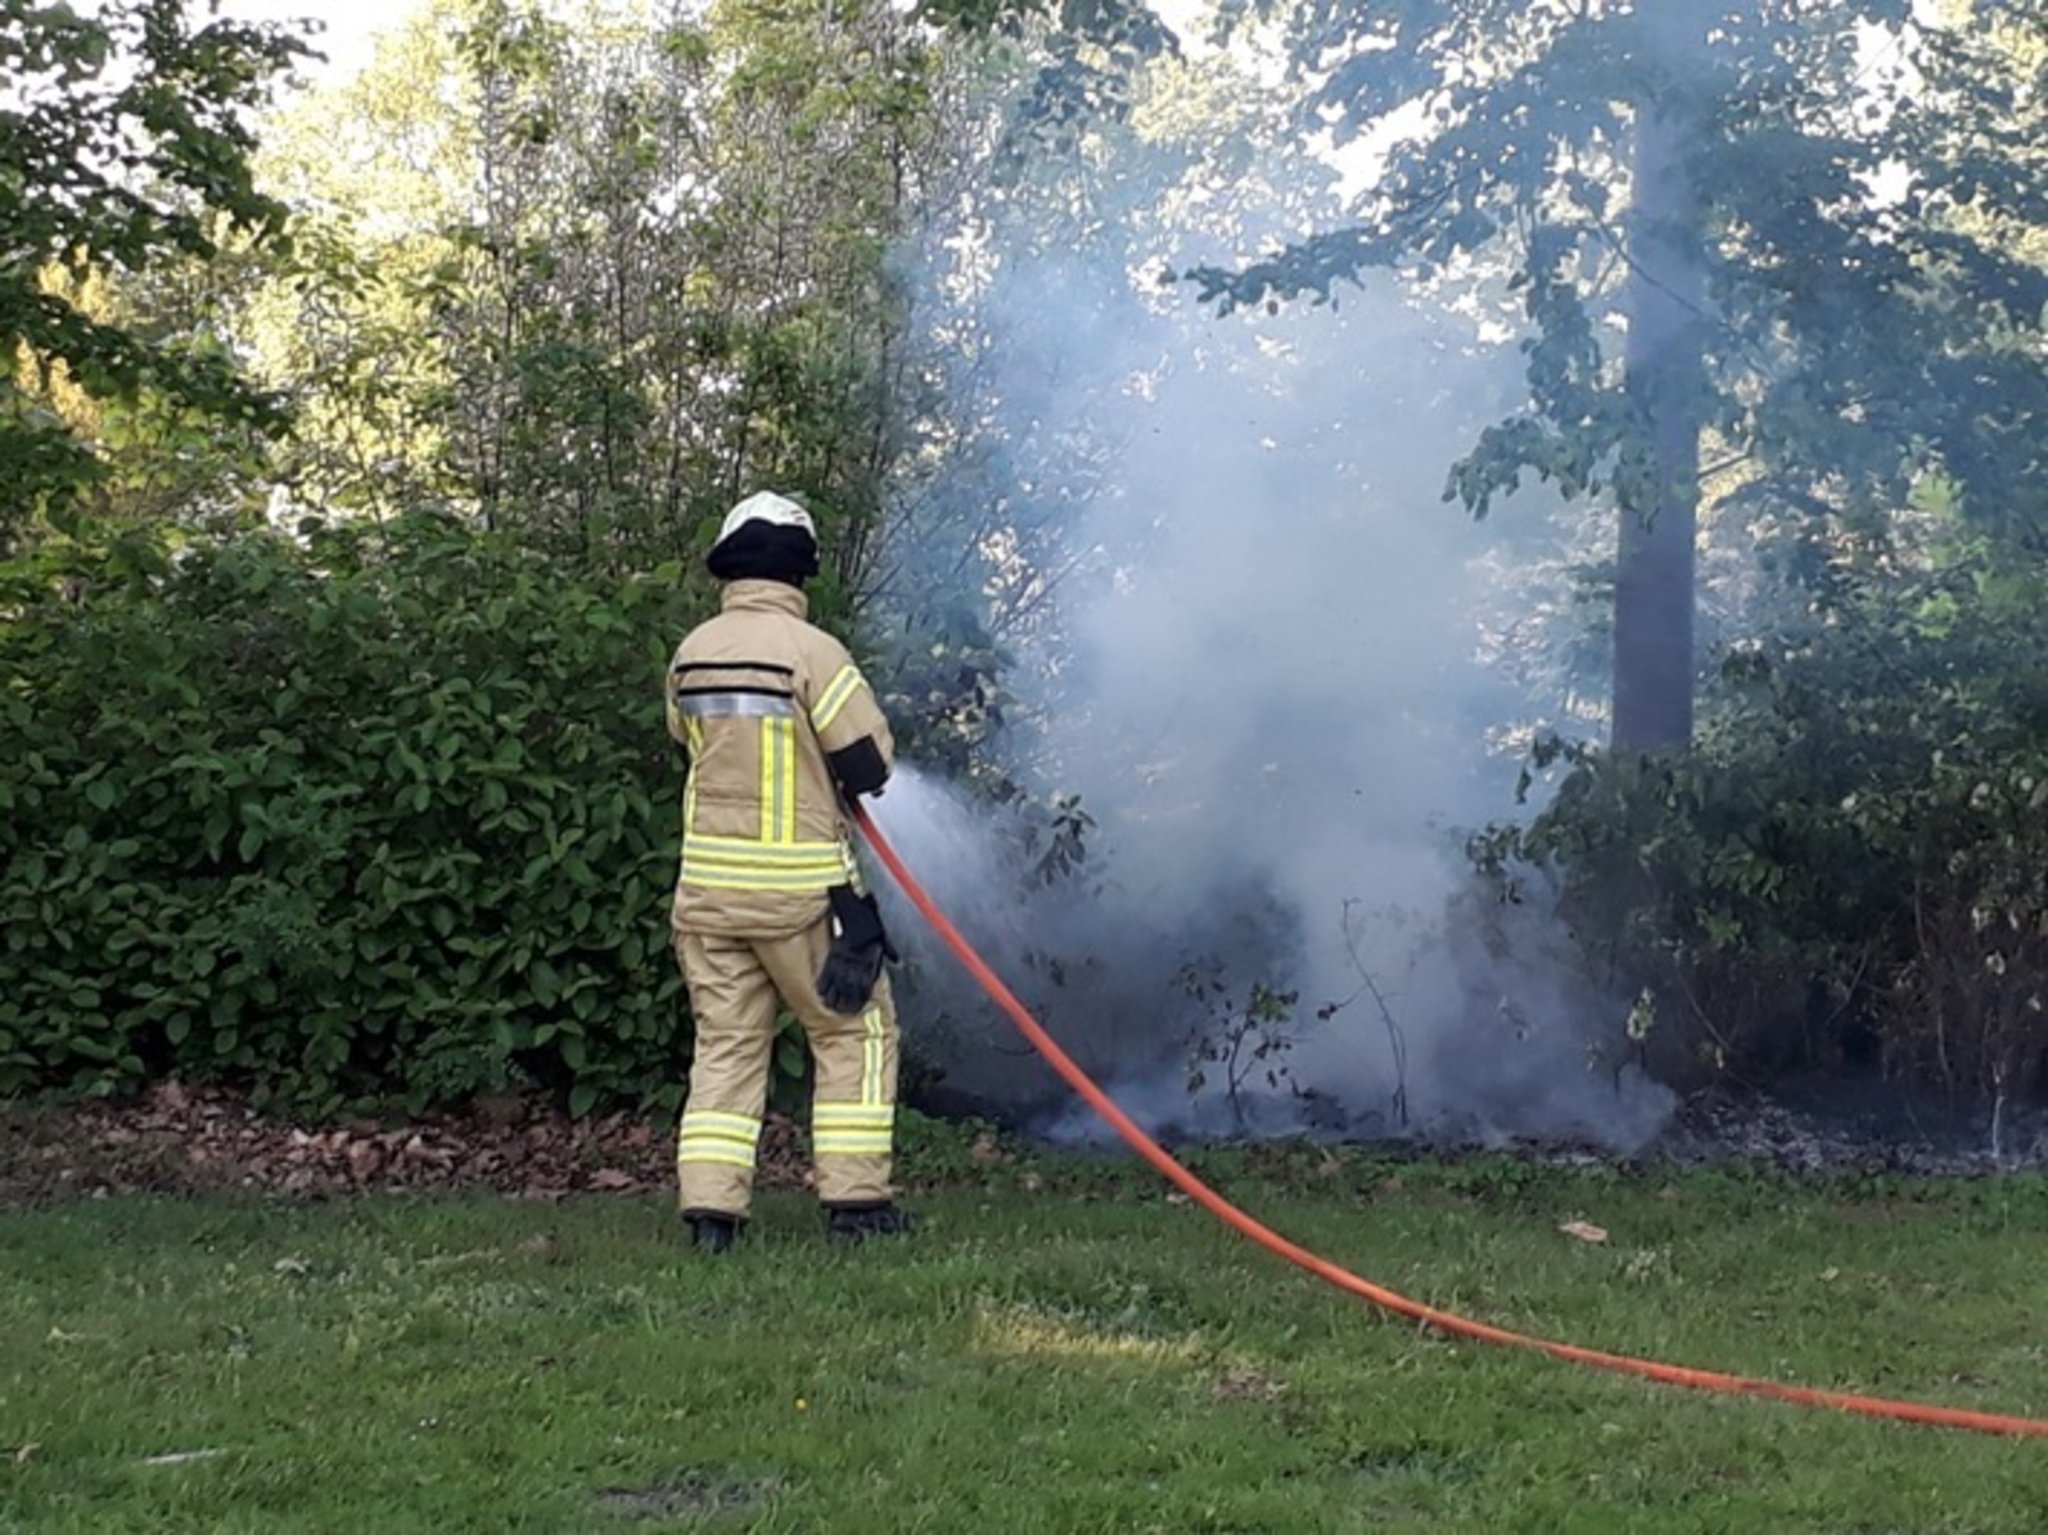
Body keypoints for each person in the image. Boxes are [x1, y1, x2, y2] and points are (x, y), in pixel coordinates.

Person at [664, 490, 912, 1252]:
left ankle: (711, 1217)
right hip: (800, 897)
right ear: (800, 570)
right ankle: (856, 1204)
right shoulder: (815, 653)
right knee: (855, 1031)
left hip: (706, 899)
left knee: (728, 1044)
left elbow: (687, 741)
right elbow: (867, 762)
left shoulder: (690, 652)